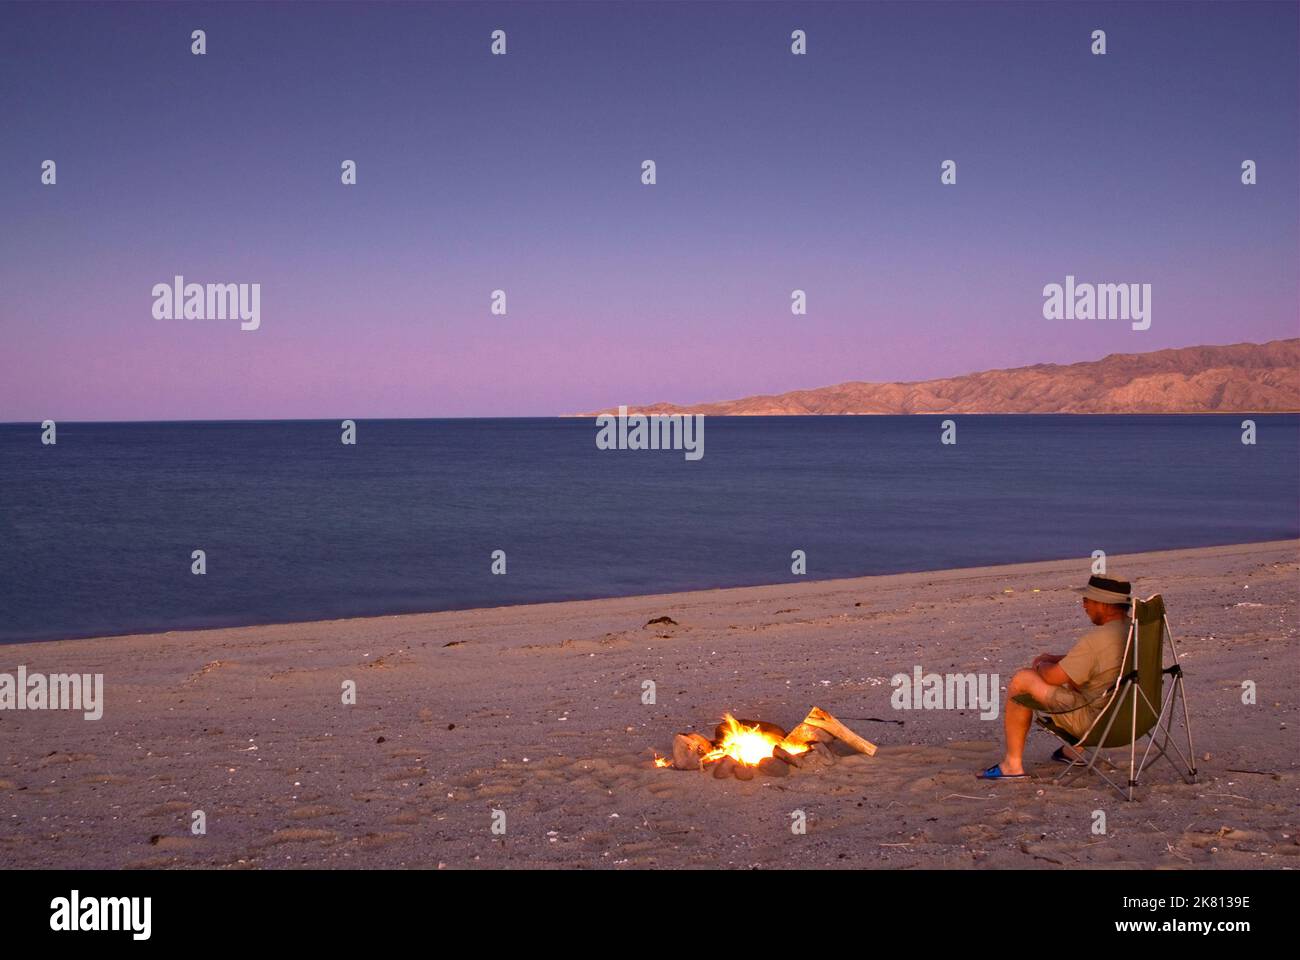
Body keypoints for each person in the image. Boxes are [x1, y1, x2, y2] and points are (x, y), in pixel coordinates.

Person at [977, 573, 1133, 780]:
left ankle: (1011, 765)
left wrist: (1042, 663)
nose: (1084, 605)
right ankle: (1074, 751)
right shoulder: (1134, 631)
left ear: (1104, 604)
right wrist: (1058, 658)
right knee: (1080, 677)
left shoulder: (1097, 639)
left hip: (1098, 723)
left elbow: (1053, 678)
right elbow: (1102, 662)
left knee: (1023, 679)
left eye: (1087, 600)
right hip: (1132, 718)